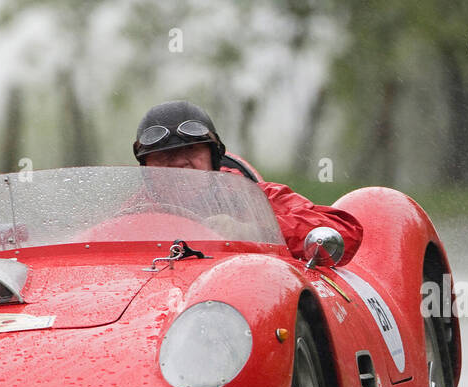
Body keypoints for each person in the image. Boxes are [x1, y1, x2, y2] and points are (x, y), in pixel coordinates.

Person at [132, 100, 363, 264]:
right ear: (147, 169)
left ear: (214, 158)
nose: (178, 164)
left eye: (191, 150)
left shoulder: (255, 198)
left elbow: (343, 234)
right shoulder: (133, 212)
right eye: (163, 157)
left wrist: (253, 231)